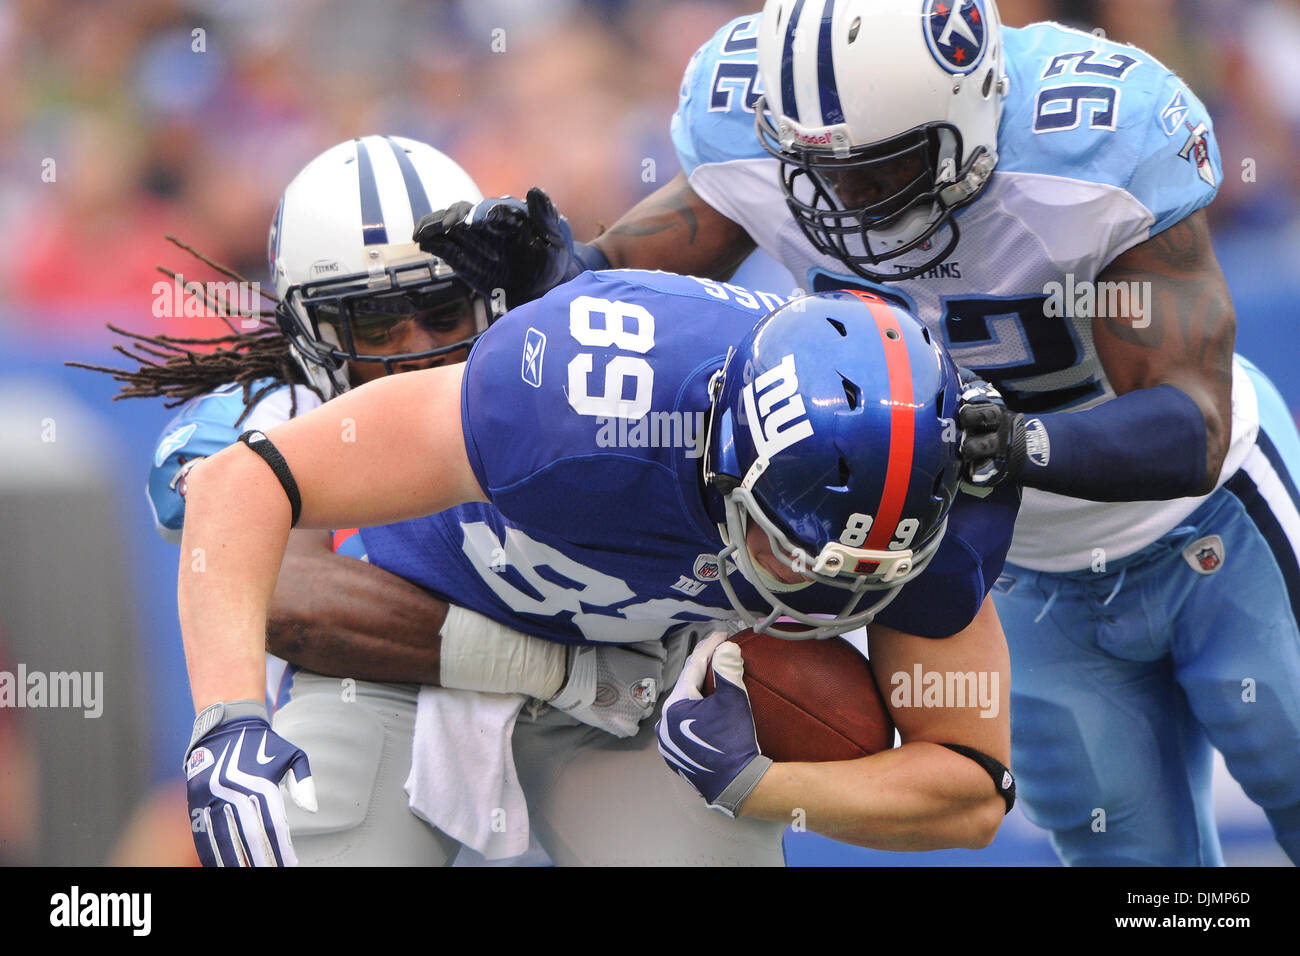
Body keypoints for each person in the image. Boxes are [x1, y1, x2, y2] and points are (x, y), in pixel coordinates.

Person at [415, 1, 1300, 867]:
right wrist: (559, 283)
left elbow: (1193, 423)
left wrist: (1011, 444)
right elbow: (630, 304)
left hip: (1213, 528)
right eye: (819, 170)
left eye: (881, 170)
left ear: (972, 111)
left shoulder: (1093, 147)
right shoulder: (769, 142)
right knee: (1132, 864)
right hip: (1015, 570)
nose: (844, 200)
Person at [175, 260, 1021, 865]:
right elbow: (243, 481)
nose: (816, 592)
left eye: (859, 574)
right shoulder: (580, 395)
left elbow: (974, 791)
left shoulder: (936, 499)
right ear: (729, 458)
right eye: (790, 549)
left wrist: (749, 782)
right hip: (416, 650)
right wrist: (225, 720)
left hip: (645, 692)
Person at [79, 136, 676, 865]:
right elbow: (290, 599)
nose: (417, 348)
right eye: (375, 323)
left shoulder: (565, 371)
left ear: (493, 300)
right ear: (311, 336)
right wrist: (562, 670)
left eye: (441, 310)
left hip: (608, 725)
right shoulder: (261, 419)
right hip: (372, 722)